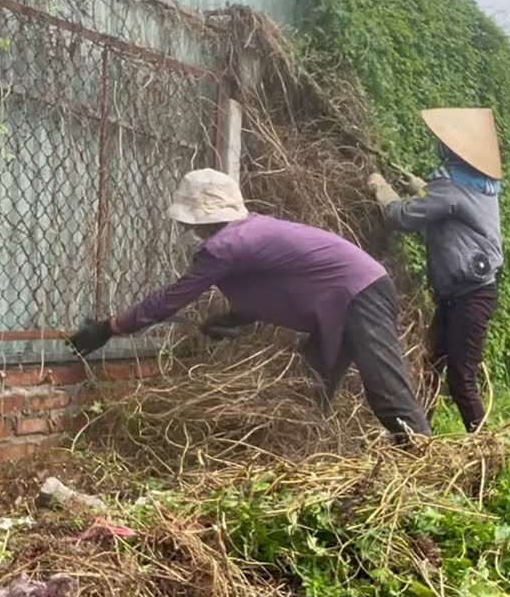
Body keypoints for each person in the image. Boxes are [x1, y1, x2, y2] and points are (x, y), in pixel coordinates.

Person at [66, 168, 430, 444]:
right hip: (350, 294)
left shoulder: (226, 246)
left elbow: (171, 299)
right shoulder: (248, 233)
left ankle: (426, 465)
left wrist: (110, 327)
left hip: (360, 294)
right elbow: (282, 283)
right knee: (310, 382)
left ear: (202, 217)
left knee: (385, 387)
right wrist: (234, 317)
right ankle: (309, 456)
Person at [366, 108, 504, 434]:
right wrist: (422, 187)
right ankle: (419, 435)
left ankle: (487, 452)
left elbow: (401, 217)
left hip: (471, 295)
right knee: (431, 366)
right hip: (459, 295)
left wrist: (380, 188)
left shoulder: (452, 188)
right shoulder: (479, 184)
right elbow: (452, 205)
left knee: (461, 377)